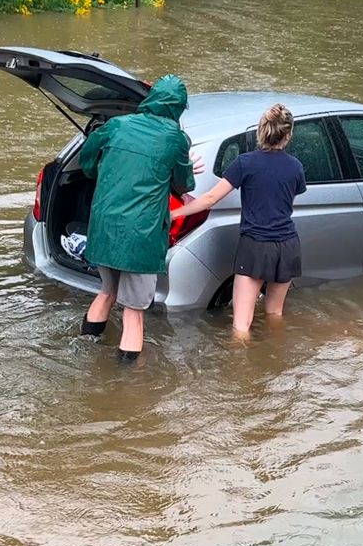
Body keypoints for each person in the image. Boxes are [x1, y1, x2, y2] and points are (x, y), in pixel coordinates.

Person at [77, 75, 197, 363]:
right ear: (178, 107)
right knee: (133, 315)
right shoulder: (175, 138)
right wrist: (189, 168)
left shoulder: (115, 125)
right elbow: (184, 184)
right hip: (141, 237)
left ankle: (83, 354)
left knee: (106, 292)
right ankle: (123, 390)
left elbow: (87, 163)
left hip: (104, 229)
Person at [171, 104, 306, 337]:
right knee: (275, 314)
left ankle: (242, 370)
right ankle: (277, 361)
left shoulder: (245, 163)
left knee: (241, 325)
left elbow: (211, 198)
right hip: (287, 245)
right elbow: (285, 202)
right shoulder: (296, 167)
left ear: (261, 131)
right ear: (288, 134)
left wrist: (174, 213)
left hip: (256, 245)